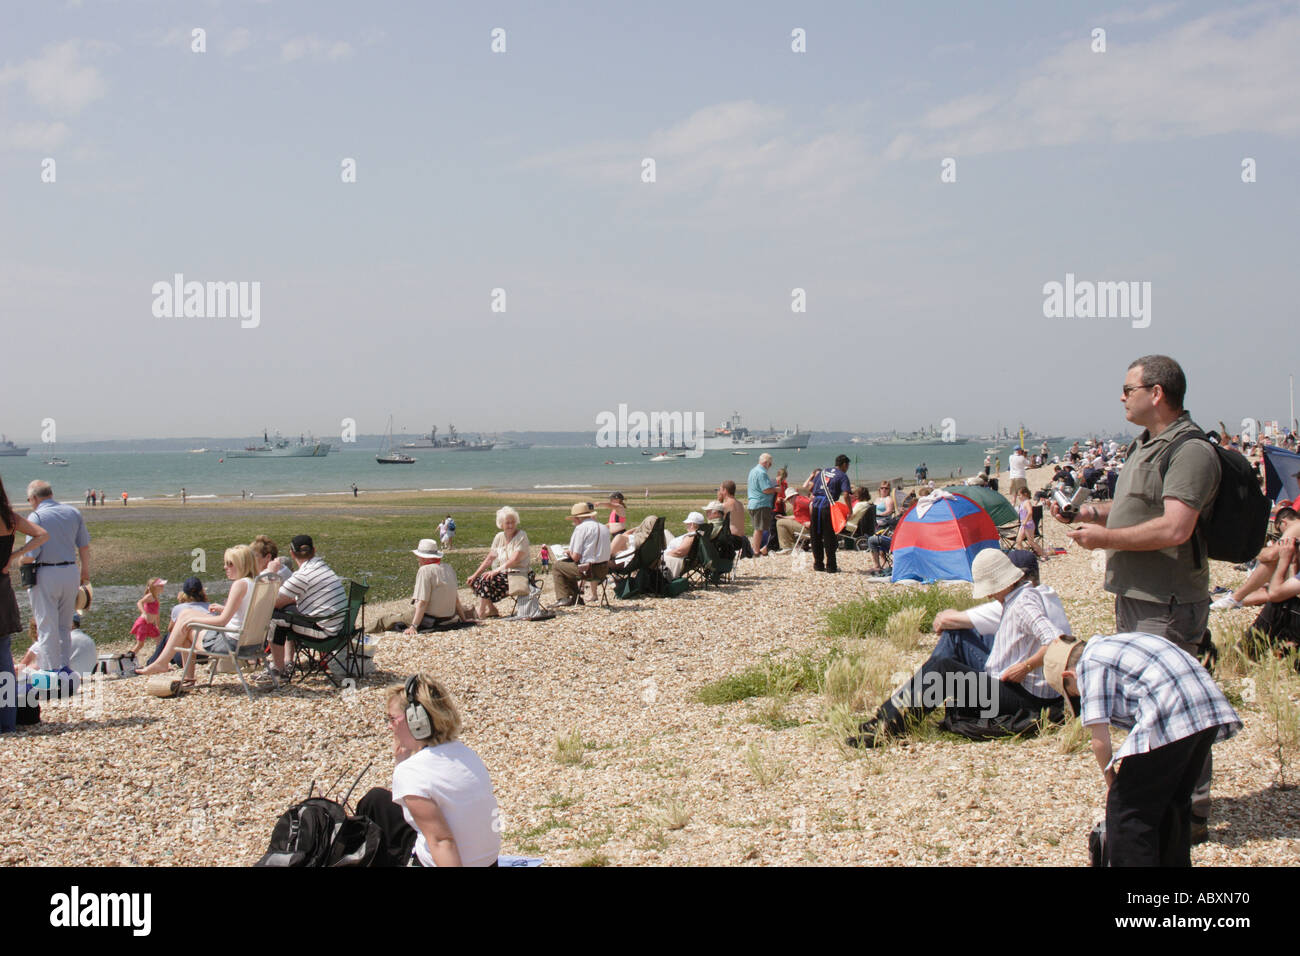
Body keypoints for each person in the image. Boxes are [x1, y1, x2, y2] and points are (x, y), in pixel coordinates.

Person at [1052, 354, 1221, 840]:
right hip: (1138, 594)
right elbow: (1134, 510)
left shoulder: (1189, 452)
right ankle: (1164, 802)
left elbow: (1175, 527)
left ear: (1157, 393)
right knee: (1150, 702)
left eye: (1128, 389)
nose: (1121, 396)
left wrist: (1103, 541)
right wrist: (1094, 514)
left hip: (1165, 599)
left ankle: (1187, 813)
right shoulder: (1145, 446)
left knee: (1172, 706)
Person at [1044, 633, 1241, 866]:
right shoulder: (1118, 643)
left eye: (1074, 693)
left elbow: (1099, 739)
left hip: (1173, 716)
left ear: (1068, 675)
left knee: (1126, 811)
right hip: (1206, 710)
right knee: (1173, 802)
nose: (1080, 698)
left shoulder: (1090, 664)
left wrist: (1112, 783)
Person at [849, 549, 1069, 746]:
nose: (990, 595)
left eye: (991, 589)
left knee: (943, 669)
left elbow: (1054, 640)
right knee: (945, 658)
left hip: (1026, 697)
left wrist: (1026, 666)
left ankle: (888, 724)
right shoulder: (1021, 597)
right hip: (1021, 689)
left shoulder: (1023, 603)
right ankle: (902, 708)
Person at [356, 673, 501, 867]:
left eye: (392, 719)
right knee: (376, 800)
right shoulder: (466, 754)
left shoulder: (413, 771)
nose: (390, 727)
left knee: (371, 814)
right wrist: (401, 759)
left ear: (417, 721)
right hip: (488, 862)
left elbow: (442, 842)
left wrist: (403, 766)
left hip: (446, 861)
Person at [137, 546, 258, 682]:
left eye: (230, 564)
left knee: (186, 624)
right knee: (185, 614)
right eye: (225, 563)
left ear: (242, 564)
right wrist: (224, 608)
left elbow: (222, 622)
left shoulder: (239, 584)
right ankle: (167, 665)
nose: (225, 567)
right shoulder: (255, 583)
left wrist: (194, 620)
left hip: (231, 643)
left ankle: (168, 666)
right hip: (251, 641)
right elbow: (247, 613)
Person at [255, 535, 347, 689]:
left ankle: (278, 670)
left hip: (325, 632)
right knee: (283, 614)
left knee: (274, 618)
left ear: (291, 553)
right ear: (314, 550)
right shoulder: (321, 566)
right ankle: (284, 663)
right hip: (339, 626)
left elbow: (270, 601)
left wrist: (270, 573)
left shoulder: (302, 575)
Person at [19, 481, 89, 680]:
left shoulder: (37, 516)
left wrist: (17, 558)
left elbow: (31, 554)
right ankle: (64, 666)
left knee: (46, 623)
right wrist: (85, 571)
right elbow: (84, 546)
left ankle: (50, 670)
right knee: (65, 623)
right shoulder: (73, 512)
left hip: (46, 571)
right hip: (70, 570)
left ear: (34, 498)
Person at [0, 476, 49, 732]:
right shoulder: (9, 517)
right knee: (4, 662)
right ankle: (6, 723)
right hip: (3, 593)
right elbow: (42, 535)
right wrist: (14, 556)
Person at [372, 540, 475, 633]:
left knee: (384, 620)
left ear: (423, 557)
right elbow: (456, 599)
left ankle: (360, 632)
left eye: (419, 557)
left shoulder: (425, 570)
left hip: (429, 620)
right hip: (449, 618)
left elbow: (422, 602)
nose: (418, 559)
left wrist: (414, 626)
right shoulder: (448, 568)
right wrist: (464, 620)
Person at [467, 507, 531, 619]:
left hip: (519, 574)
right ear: (501, 524)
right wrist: (474, 575)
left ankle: (480, 612)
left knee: (486, 580)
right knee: (475, 581)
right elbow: (490, 558)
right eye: (507, 523)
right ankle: (492, 609)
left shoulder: (521, 535)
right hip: (503, 574)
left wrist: (496, 570)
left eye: (513, 522)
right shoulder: (499, 537)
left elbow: (514, 559)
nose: (510, 525)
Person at [552, 502, 611, 607]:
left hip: (589, 571)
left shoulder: (581, 528)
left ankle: (563, 598)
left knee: (558, 566)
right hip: (604, 570)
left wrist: (568, 552)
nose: (573, 521)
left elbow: (576, 557)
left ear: (578, 518)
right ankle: (576, 598)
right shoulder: (604, 527)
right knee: (568, 567)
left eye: (574, 519)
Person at [800, 455, 851, 573]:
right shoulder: (842, 476)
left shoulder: (822, 472)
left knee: (815, 535)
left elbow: (811, 488)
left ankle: (818, 564)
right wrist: (850, 510)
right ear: (844, 465)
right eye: (847, 466)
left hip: (816, 504)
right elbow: (846, 494)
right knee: (829, 537)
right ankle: (831, 566)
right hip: (828, 506)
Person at [144, 576, 209, 668]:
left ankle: (152, 663)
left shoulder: (179, 608)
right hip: (206, 655)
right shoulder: (210, 607)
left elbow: (171, 629)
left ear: (184, 592)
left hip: (182, 658)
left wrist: (180, 603)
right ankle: (156, 662)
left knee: (169, 636)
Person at [747, 453, 778, 556]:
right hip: (761, 503)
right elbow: (766, 489)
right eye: (770, 464)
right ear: (766, 463)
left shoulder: (753, 471)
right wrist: (776, 489)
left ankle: (756, 548)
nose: (770, 467)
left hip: (753, 502)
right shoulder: (762, 473)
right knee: (759, 529)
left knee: (758, 528)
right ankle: (756, 550)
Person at [129, 577, 167, 657]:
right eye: (161, 586)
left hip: (150, 625)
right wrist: (144, 612)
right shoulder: (150, 596)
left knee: (159, 640)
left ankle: (157, 658)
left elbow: (156, 613)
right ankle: (128, 657)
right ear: (155, 587)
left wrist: (157, 625)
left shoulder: (156, 598)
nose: (163, 587)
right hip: (143, 623)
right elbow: (139, 602)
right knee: (140, 644)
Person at [663, 512, 704, 578]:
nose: (686, 525)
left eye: (688, 524)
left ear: (692, 524)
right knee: (665, 531)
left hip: (676, 556)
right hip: (675, 546)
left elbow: (680, 552)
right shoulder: (699, 533)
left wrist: (665, 554)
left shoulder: (692, 536)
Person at [716, 481, 750, 558]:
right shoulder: (740, 504)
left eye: (720, 489)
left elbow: (715, 520)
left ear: (725, 490)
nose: (719, 491)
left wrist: (719, 500)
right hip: (741, 540)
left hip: (731, 540)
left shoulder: (726, 505)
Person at [1012, 488, 1048, 559]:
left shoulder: (1027, 502)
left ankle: (1044, 554)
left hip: (1028, 524)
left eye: (1019, 495)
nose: (1018, 497)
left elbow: (1030, 512)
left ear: (1025, 494)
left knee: (1031, 541)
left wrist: (1025, 521)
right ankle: (1022, 556)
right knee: (1018, 541)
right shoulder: (1022, 503)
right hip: (1024, 525)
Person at [774, 488, 811, 552]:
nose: (789, 501)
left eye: (790, 498)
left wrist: (812, 521)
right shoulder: (799, 500)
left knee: (780, 523)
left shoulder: (799, 501)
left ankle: (786, 547)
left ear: (794, 496)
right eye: (788, 499)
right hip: (806, 526)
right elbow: (796, 517)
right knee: (782, 521)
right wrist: (783, 517)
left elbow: (812, 504)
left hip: (807, 527)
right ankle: (793, 546)